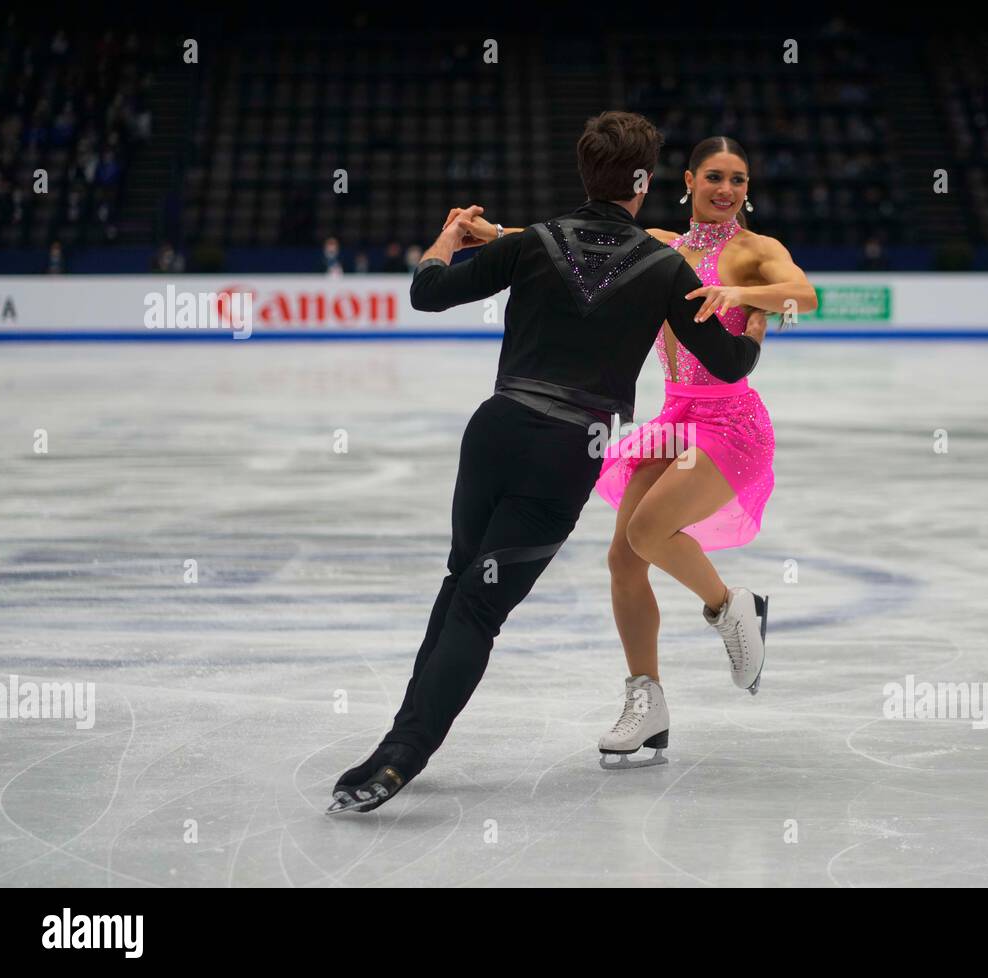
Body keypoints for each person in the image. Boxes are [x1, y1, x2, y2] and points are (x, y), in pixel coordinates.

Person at [328, 111, 767, 814]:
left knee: (457, 583)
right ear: (645, 182)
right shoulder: (664, 269)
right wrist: (751, 313)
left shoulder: (536, 242)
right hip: (568, 452)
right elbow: (732, 361)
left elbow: (428, 291)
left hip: (495, 431)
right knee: (478, 604)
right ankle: (400, 757)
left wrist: (447, 236)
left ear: (585, 172)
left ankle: (398, 747)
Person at [448, 136, 817, 769]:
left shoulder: (756, 250)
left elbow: (804, 294)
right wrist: (493, 232)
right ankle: (648, 706)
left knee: (649, 529)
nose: (725, 189)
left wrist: (745, 296)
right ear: (689, 180)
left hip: (731, 424)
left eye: (737, 179)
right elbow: (567, 237)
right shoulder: (663, 248)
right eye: (713, 177)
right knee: (623, 559)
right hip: (676, 417)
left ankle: (732, 607)